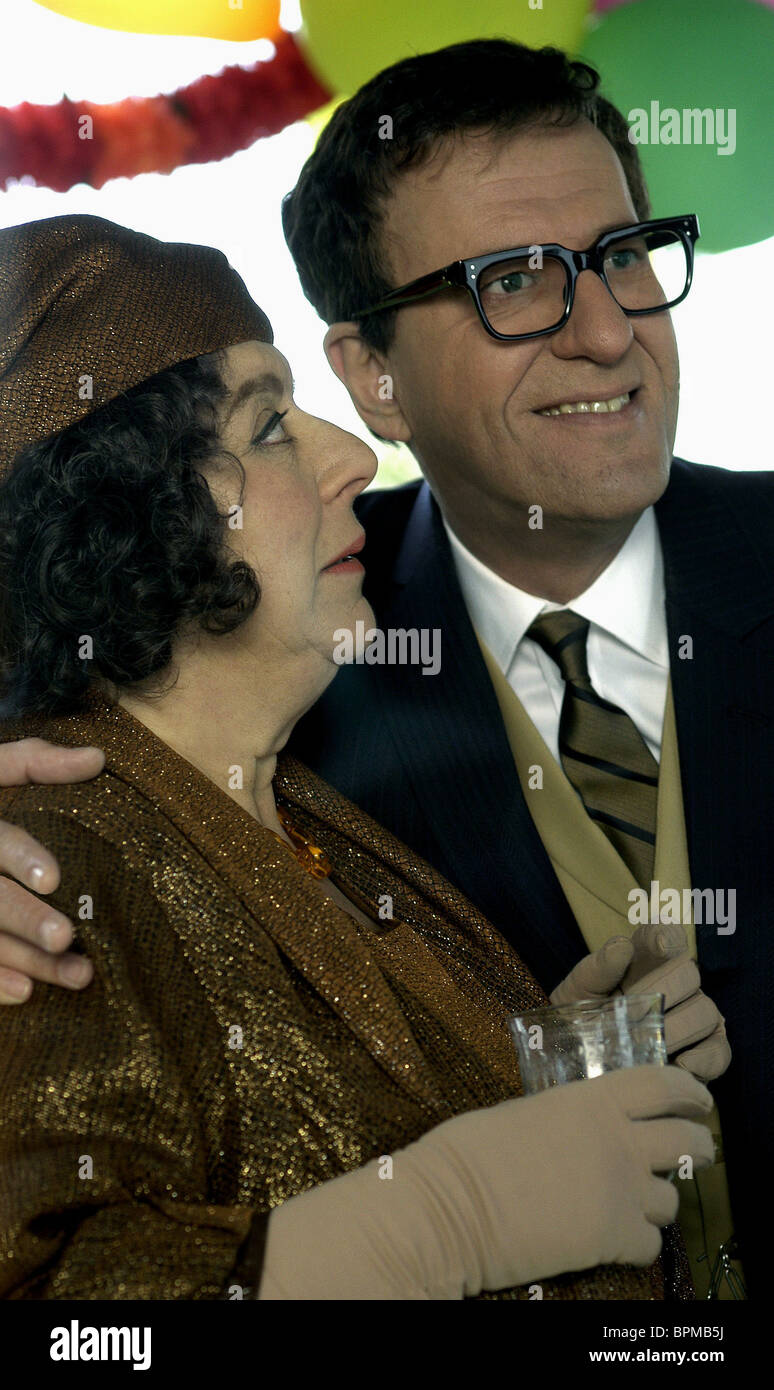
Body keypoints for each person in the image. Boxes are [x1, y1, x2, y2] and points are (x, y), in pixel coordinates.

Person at [0, 212, 716, 1301]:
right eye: (270, 424)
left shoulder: (296, 805)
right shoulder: (40, 875)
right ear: (123, 512)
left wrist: (531, 1065)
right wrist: (430, 1227)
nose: (353, 458)